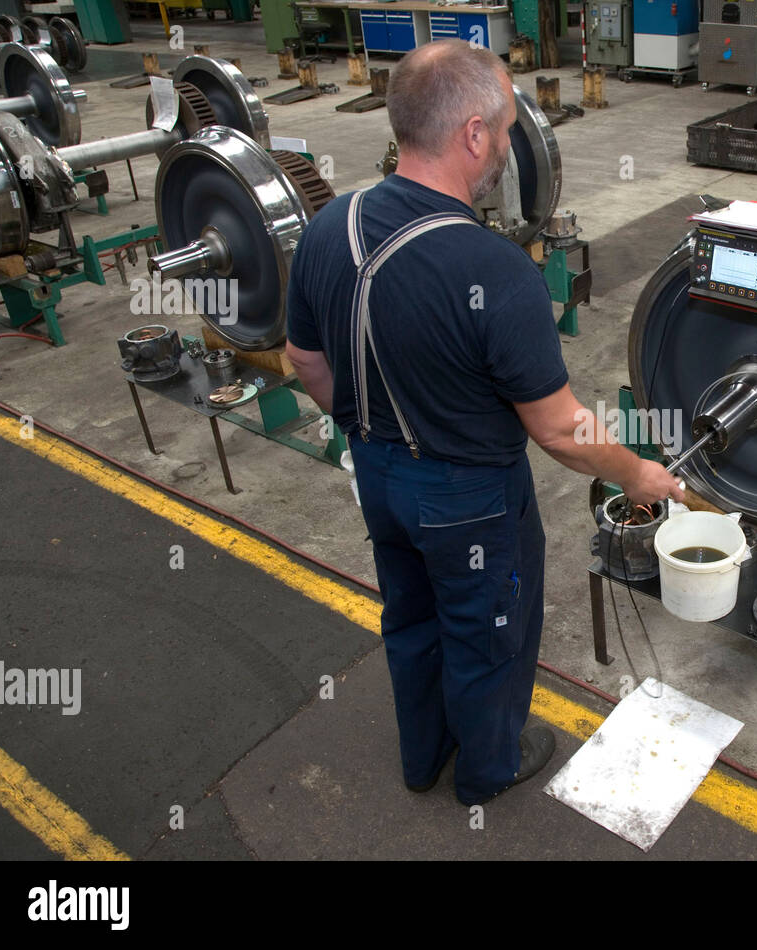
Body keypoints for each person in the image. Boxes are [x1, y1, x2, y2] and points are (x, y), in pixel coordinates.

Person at [285, 39, 682, 807]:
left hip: (377, 474)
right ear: (472, 134)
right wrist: (638, 473)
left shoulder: (329, 227)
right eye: (501, 132)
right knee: (486, 636)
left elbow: (305, 360)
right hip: (469, 499)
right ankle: (485, 772)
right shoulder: (494, 270)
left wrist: (368, 430)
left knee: (411, 618)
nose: (505, 148)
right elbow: (560, 430)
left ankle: (420, 756)